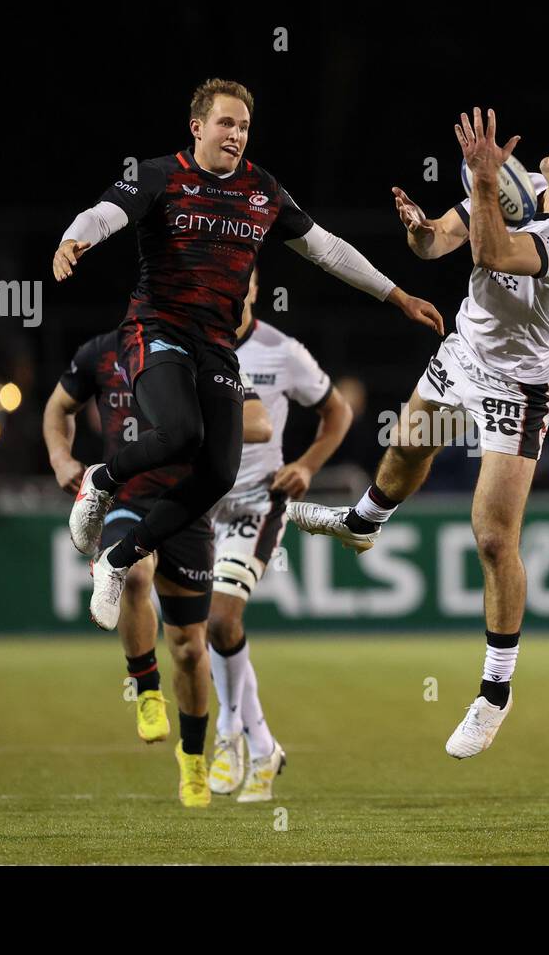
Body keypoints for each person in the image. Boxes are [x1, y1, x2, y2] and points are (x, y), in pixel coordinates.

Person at [289, 108, 549, 759]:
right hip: (465, 355)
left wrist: (482, 178)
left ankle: (494, 694)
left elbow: (493, 249)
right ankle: (363, 525)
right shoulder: (524, 182)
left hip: (519, 388)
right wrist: (421, 231)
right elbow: (444, 243)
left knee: (492, 537)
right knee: (406, 449)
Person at [52, 76, 443, 641]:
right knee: (182, 433)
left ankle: (116, 561)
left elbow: (327, 248)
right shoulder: (161, 174)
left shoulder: (262, 190)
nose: (236, 134)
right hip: (155, 330)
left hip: (215, 344)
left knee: (218, 471)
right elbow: (106, 211)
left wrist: (398, 295)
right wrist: (73, 239)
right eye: (225, 123)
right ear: (198, 126)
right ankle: (104, 480)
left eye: (244, 126)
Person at [43, 331, 270, 807]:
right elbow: (57, 407)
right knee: (135, 572)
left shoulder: (202, 352)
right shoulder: (99, 352)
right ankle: (145, 685)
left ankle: (192, 758)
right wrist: (61, 458)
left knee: (189, 648)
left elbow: (259, 423)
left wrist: (202, 417)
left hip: (186, 508)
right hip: (127, 498)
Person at [204, 269, 354, 803]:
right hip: (198, 506)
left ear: (253, 290)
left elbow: (338, 411)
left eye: (238, 286)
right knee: (207, 633)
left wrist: (308, 466)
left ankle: (227, 732)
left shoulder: (281, 351)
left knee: (222, 621)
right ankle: (264, 746)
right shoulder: (193, 345)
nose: (230, 295)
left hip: (256, 503)